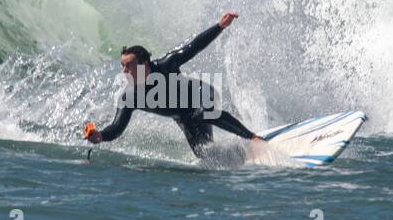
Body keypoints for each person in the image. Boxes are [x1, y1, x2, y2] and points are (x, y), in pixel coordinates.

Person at [83, 12, 266, 157]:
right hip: (184, 118)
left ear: (145, 64)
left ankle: (252, 137)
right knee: (204, 153)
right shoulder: (130, 97)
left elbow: (194, 46)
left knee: (204, 112)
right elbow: (117, 127)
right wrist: (101, 136)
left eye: (129, 66)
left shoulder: (167, 65)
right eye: (122, 66)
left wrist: (220, 26)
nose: (124, 71)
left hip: (200, 94)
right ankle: (242, 152)